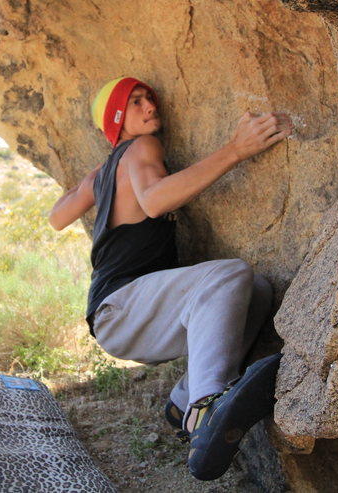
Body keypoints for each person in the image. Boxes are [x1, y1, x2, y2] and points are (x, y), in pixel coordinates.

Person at [49, 76, 291, 480]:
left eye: (149, 98)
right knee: (231, 273)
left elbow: (58, 216)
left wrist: (101, 169)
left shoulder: (106, 170)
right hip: (125, 304)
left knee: (256, 292)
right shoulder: (144, 146)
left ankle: (182, 401)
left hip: (120, 318)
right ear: (118, 118)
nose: (150, 107)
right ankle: (205, 407)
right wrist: (236, 150)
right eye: (136, 102)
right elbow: (155, 199)